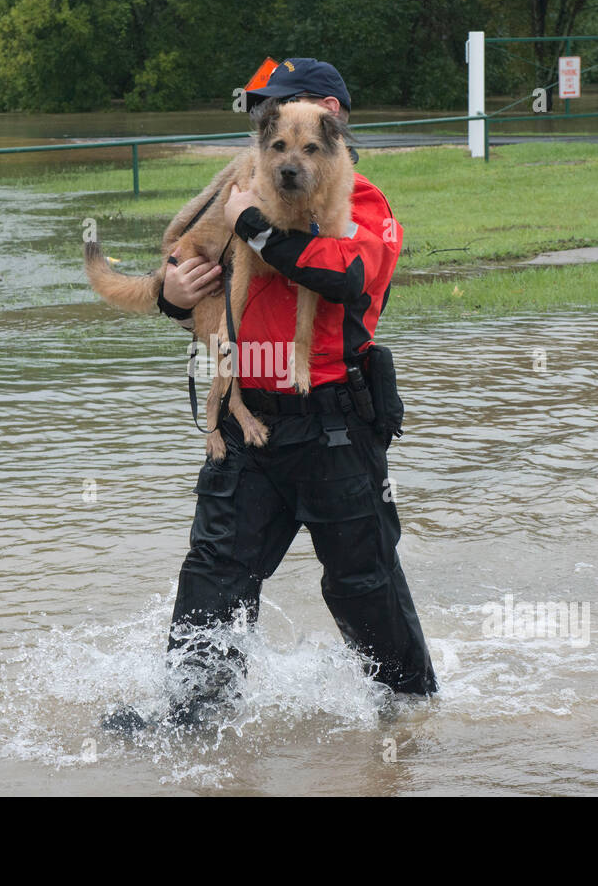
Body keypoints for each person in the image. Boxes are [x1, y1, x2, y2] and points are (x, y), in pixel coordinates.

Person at [154, 58, 437, 724]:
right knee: (214, 577)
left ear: (331, 116)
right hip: (247, 425)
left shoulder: (362, 200)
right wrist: (171, 291)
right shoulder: (242, 191)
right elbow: (189, 261)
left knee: (364, 584)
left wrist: (255, 225)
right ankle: (191, 722)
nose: (282, 143)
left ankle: (413, 716)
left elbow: (347, 273)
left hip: (333, 426)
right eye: (271, 125)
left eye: (294, 114)